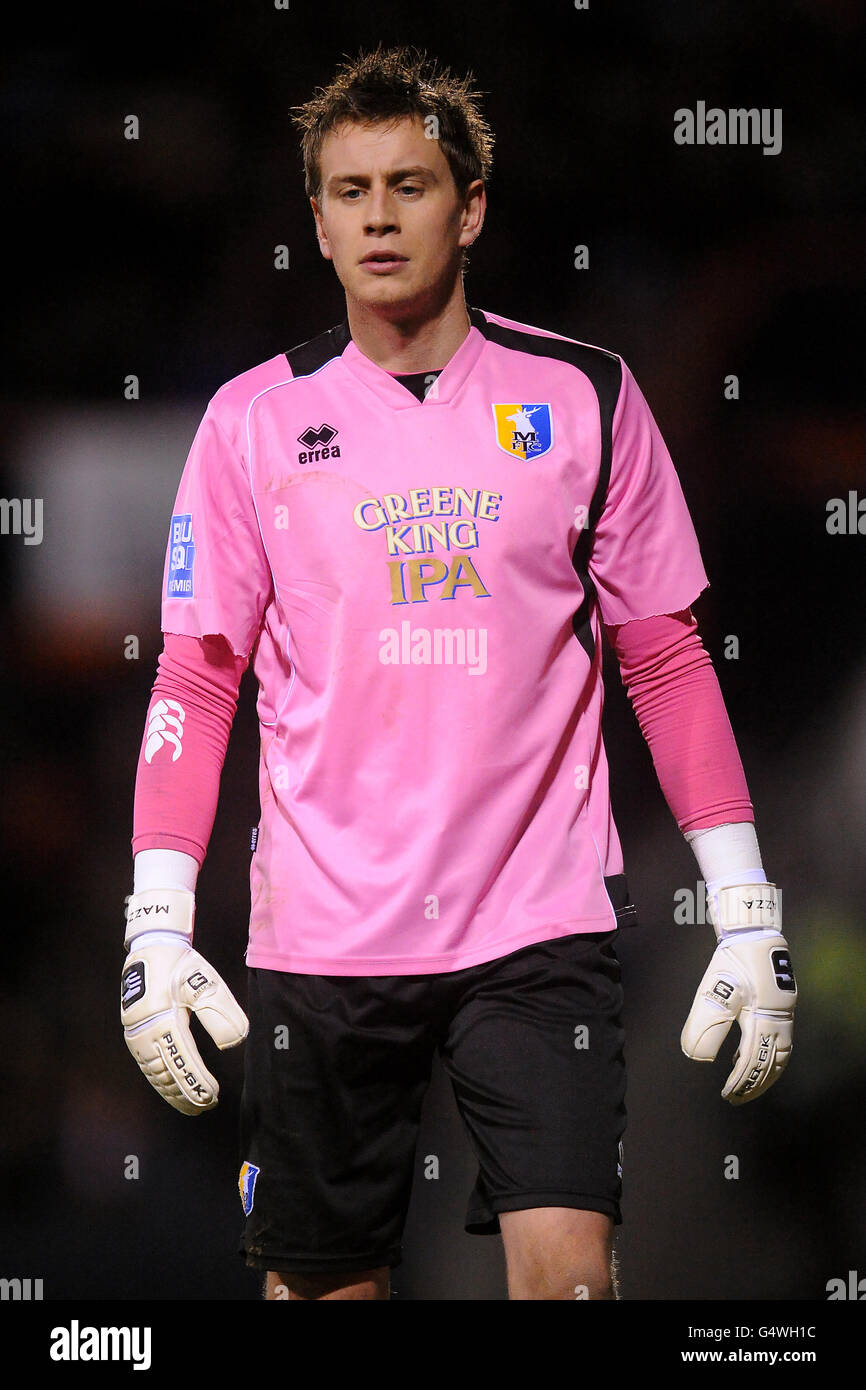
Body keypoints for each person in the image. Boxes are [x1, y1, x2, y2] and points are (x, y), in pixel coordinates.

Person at [120, 44, 797, 1301]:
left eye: (410, 184)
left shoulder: (586, 395)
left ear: (469, 206)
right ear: (313, 221)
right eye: (348, 188)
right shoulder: (249, 423)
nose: (378, 214)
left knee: (569, 1278)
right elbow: (198, 675)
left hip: (536, 927)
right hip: (321, 934)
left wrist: (744, 903)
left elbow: (662, 652)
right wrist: (155, 919)